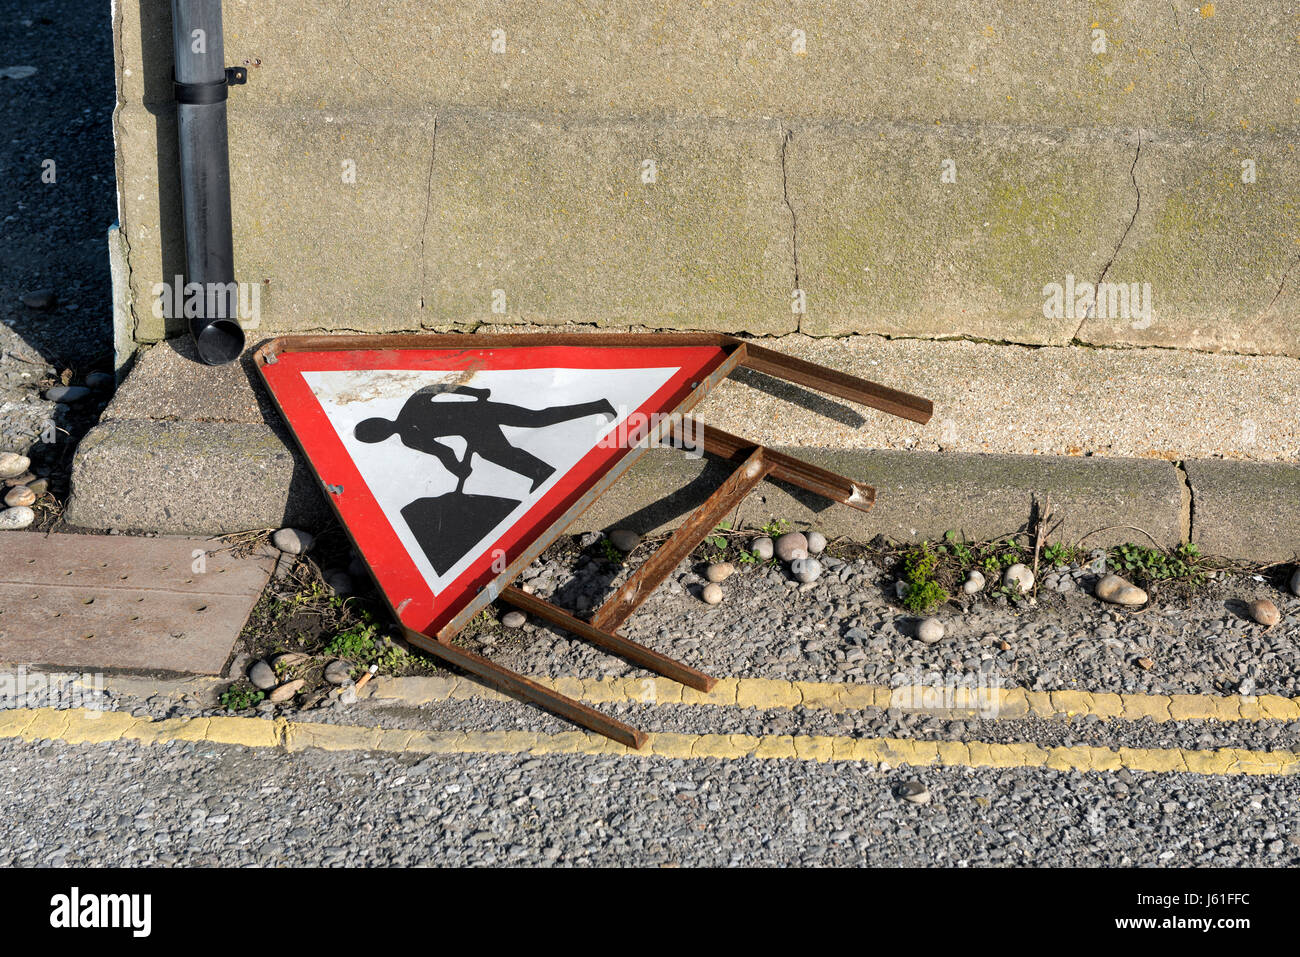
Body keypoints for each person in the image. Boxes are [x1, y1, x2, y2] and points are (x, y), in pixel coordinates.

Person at [354, 383, 617, 492]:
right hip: (475, 430)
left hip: (481, 411)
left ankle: (598, 405)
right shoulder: (410, 438)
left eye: (376, 429)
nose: (381, 432)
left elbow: (439, 387)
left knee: (537, 418)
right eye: (376, 435)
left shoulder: (412, 406)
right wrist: (459, 470)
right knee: (493, 452)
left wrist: (476, 392)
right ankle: (541, 473)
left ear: (380, 423)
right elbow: (444, 453)